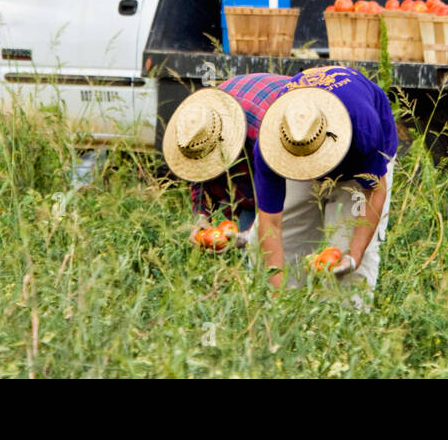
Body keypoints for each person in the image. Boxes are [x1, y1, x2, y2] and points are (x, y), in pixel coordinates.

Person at [252, 66, 398, 295]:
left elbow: (374, 192)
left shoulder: (363, 128)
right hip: (300, 144)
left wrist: (354, 256)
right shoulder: (272, 144)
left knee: (345, 270)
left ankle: (347, 323)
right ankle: (287, 315)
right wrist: (278, 299)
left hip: (357, 167)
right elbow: (271, 224)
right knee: (283, 253)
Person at [162, 73, 292, 248]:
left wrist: (249, 237)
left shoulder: (263, 131)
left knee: (279, 244)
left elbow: (281, 193)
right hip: (249, 172)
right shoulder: (198, 128)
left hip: (286, 144)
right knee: (252, 255)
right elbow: (200, 174)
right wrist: (201, 217)